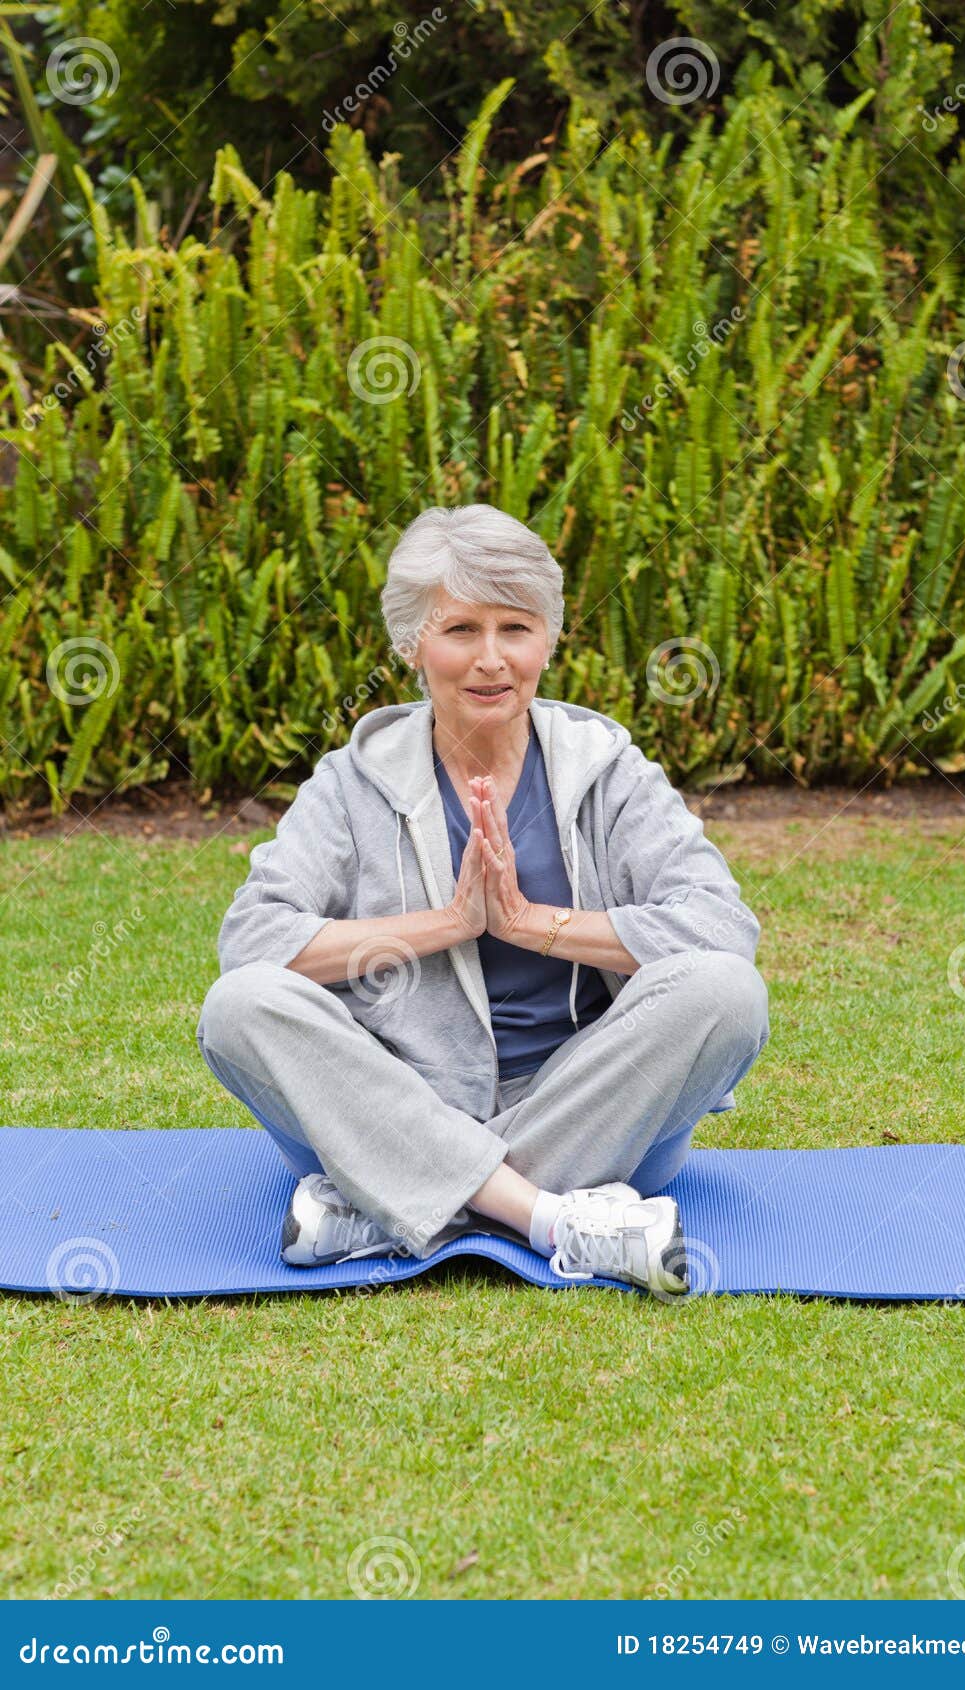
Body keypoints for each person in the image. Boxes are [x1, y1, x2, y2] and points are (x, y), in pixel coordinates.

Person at [196, 503, 770, 1297]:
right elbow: (253, 942)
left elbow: (720, 928)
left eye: (515, 629)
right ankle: (553, 1219)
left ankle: (389, 1204)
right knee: (240, 1005)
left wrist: (534, 925)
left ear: (549, 639)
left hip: (591, 1109)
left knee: (725, 992)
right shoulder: (351, 781)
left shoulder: (606, 767)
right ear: (412, 645)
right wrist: (449, 924)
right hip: (395, 1099)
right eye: (460, 629)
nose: (490, 660)